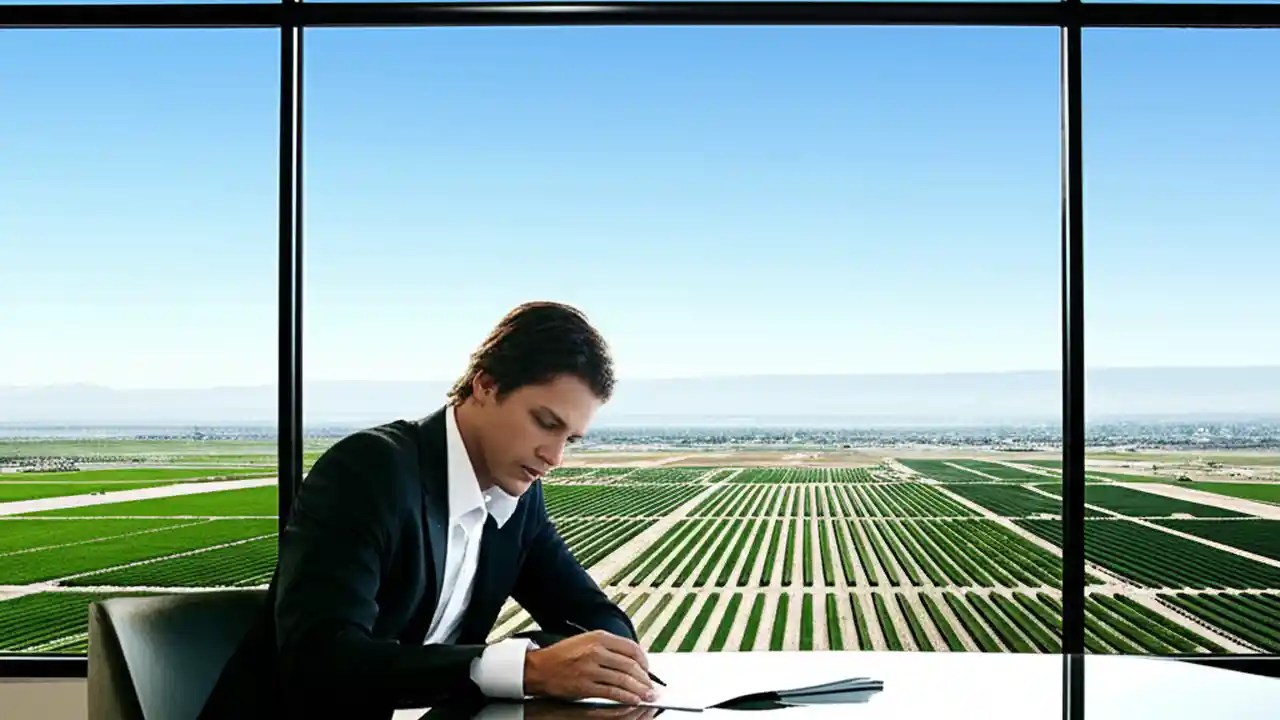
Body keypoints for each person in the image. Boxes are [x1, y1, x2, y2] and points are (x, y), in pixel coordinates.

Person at [200, 301, 655, 720]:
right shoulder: (369, 471)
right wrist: (523, 667)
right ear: (485, 384)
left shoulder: (517, 499)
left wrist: (587, 659)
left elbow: (593, 617)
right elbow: (321, 662)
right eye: (545, 423)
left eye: (570, 440)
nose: (554, 457)